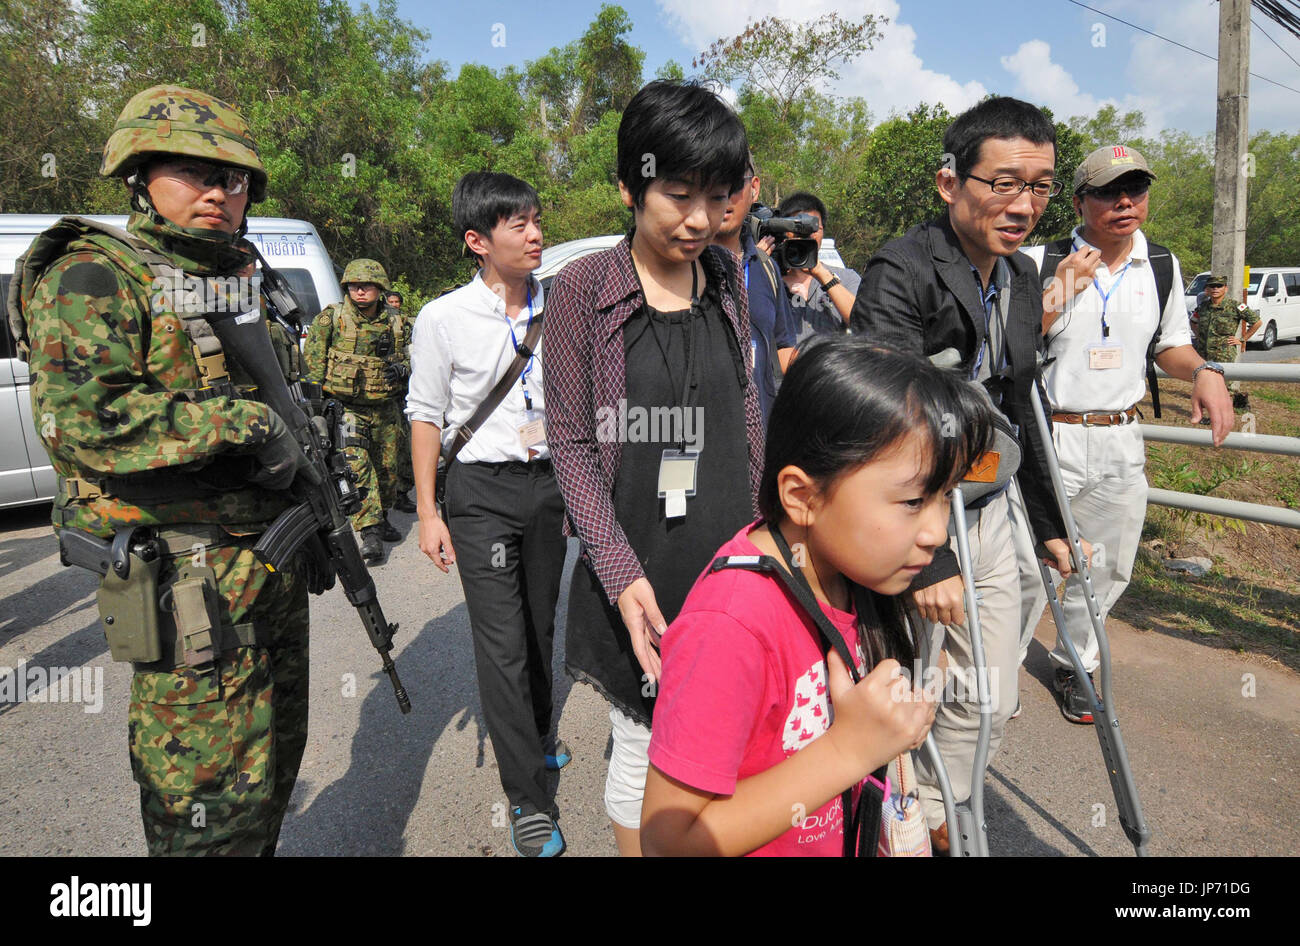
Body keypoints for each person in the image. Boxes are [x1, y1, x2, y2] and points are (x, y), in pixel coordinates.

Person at [10, 84, 315, 855]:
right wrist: (247, 424)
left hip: (267, 566)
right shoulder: (94, 274)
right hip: (187, 589)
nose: (219, 192)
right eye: (191, 172)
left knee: (275, 768)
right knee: (206, 804)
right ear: (139, 176)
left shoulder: (241, 279)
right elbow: (89, 422)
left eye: (235, 179)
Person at [642, 341, 998, 856]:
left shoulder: (853, 573)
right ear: (803, 497)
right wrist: (848, 751)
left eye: (946, 497)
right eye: (914, 501)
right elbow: (667, 841)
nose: (937, 533)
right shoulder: (731, 624)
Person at [848, 96, 1080, 852]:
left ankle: (937, 821)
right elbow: (887, 424)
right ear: (950, 183)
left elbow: (1022, 407)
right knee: (911, 686)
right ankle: (898, 820)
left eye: (1041, 186)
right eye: (1004, 183)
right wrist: (931, 555)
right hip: (914, 517)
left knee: (989, 695)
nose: (1024, 205)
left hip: (989, 508)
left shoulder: (1018, 278)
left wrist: (1048, 526)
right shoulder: (901, 270)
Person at [543, 79, 764, 857]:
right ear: (629, 186)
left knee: (729, 741)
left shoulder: (728, 281)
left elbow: (745, 412)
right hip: (639, 567)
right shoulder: (582, 292)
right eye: (677, 194)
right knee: (644, 746)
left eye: (717, 196)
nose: (701, 219)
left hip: (731, 558)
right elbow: (569, 442)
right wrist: (617, 569)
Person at [1021, 145, 1234, 723]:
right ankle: (996, 671)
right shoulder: (1038, 259)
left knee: (1108, 564)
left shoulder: (1160, 265)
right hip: (1048, 433)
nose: (1124, 202)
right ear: (1078, 201)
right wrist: (1055, 294)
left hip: (1119, 436)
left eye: (1136, 190)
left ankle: (1074, 662)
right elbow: (1009, 348)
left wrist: (1207, 371)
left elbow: (1169, 346)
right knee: (1024, 565)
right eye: (1109, 191)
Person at [406, 171, 569, 857]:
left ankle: (533, 736)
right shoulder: (442, 318)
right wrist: (426, 511)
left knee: (539, 628)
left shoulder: (559, 307)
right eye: (517, 225)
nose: (535, 235)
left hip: (549, 485)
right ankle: (528, 800)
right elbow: (425, 414)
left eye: (536, 220)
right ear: (477, 240)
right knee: (501, 643)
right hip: (479, 497)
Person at [304, 259, 411, 563]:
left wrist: (403, 368)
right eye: (354, 285)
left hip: (386, 409)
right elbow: (312, 367)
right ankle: (370, 532)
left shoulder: (397, 322)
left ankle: (382, 514)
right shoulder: (332, 320)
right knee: (358, 467)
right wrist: (317, 412)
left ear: (380, 288)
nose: (360, 290)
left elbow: (418, 354)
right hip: (347, 409)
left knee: (388, 471)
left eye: (367, 285)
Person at [711, 151, 797, 423]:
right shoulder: (679, 267)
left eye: (734, 184)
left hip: (760, 443)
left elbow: (784, 349)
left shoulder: (767, 268)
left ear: (754, 188)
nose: (723, 195)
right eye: (711, 183)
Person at [776, 192, 861, 339]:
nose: (806, 234)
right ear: (783, 231)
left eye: (814, 227)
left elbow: (863, 322)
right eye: (797, 226)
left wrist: (821, 274)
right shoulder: (768, 277)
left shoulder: (847, 278)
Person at [1192, 273, 1258, 411]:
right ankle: (1209, 412)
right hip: (1203, 353)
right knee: (1204, 383)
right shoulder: (1203, 306)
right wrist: (1199, 336)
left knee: (1223, 385)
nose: (1215, 288)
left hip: (1224, 353)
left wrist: (1242, 339)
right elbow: (1193, 321)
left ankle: (1226, 410)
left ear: (1225, 289)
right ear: (1208, 289)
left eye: (1219, 286)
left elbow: (1257, 322)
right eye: (1212, 286)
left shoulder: (1236, 306)